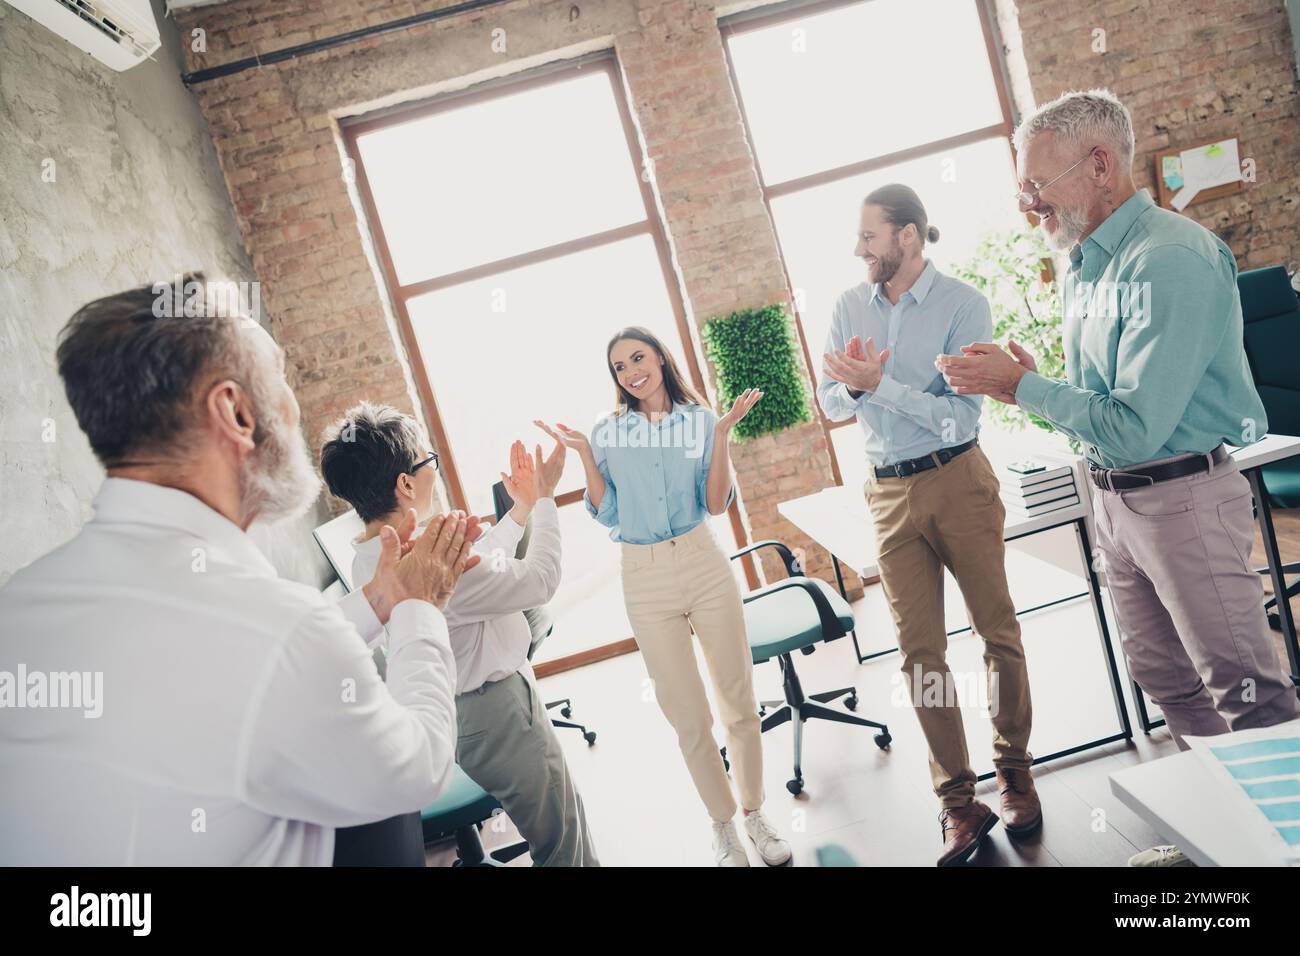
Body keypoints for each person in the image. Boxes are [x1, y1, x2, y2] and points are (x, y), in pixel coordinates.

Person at [936, 88, 1300, 867]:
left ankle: (1282, 844)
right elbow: (1102, 408)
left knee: (1246, 690)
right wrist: (1033, 382)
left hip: (1184, 498)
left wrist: (1016, 387)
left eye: (1038, 182)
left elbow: (1139, 424)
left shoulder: (1169, 257)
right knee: (1166, 679)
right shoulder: (1088, 265)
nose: (1027, 201)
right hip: (1117, 502)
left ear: (1100, 164)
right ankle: (1224, 837)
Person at [0, 275, 476, 866]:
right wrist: (419, 608)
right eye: (277, 374)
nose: (294, 405)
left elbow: (243, 667)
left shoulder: (22, 603)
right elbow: (418, 768)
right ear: (234, 410)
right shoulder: (276, 629)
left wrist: (379, 599)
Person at [818, 184, 1040, 867]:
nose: (859, 250)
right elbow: (829, 403)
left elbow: (958, 417)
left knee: (995, 630)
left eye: (870, 237)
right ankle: (958, 800)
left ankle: (1014, 770)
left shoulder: (962, 303)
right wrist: (857, 385)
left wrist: (879, 387)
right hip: (887, 494)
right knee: (919, 654)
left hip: (957, 479)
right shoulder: (849, 305)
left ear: (907, 236)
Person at [536, 327, 791, 867]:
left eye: (637, 357)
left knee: (739, 701)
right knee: (687, 713)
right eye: (619, 367)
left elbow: (716, 502)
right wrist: (585, 454)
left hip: (703, 560)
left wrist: (720, 436)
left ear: (659, 358)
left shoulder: (700, 421)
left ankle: (754, 813)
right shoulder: (607, 432)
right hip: (644, 576)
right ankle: (721, 825)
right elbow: (607, 512)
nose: (631, 371)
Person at [321, 402, 599, 866]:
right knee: (562, 843)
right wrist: (547, 498)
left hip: (461, 713)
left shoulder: (371, 558)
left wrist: (521, 509)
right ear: (406, 483)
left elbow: (482, 555)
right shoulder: (424, 557)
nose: (434, 469)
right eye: (428, 460)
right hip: (501, 712)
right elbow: (540, 580)